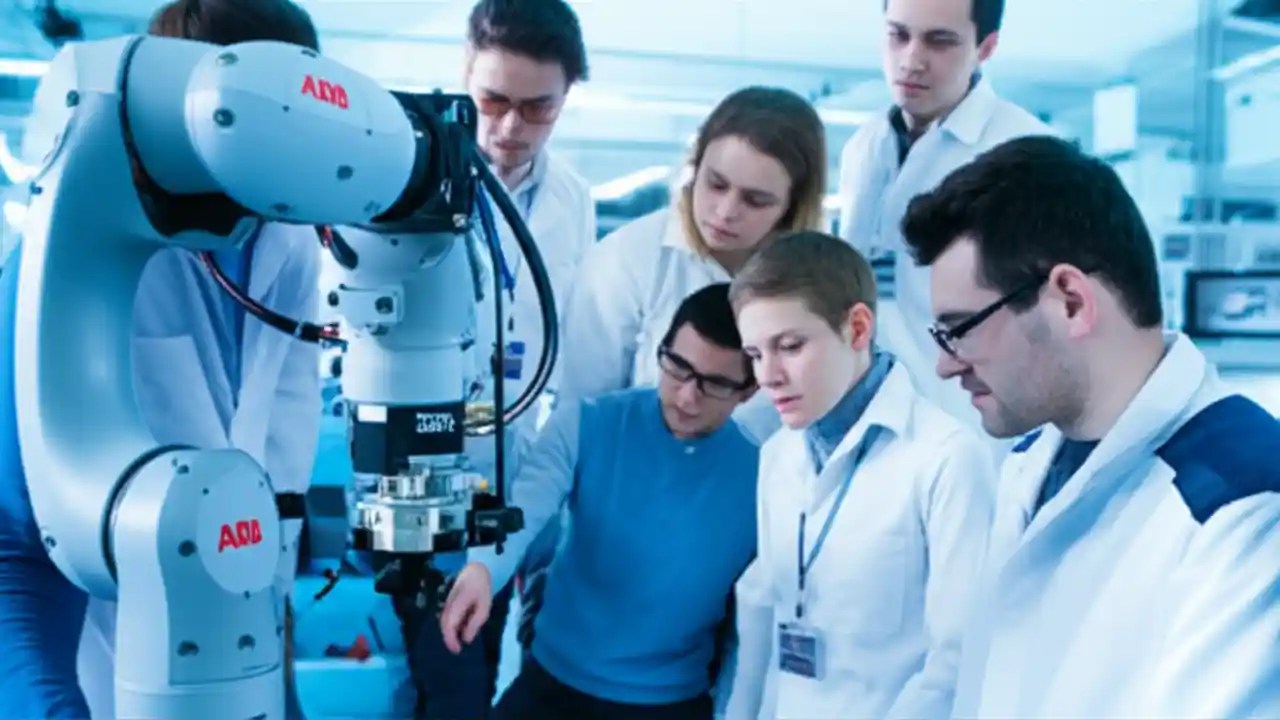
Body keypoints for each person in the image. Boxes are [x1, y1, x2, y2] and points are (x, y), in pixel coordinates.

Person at [0, 1, 323, 717]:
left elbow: (272, 466)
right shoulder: (55, 267)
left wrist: (278, 664)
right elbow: (10, 555)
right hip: (105, 662)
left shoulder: (289, 246)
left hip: (247, 633)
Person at [900, 135, 1280, 719]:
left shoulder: (1245, 503)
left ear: (1071, 301)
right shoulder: (1033, 456)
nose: (946, 363)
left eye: (961, 329)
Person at [392, 0, 597, 715]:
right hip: (418, 477)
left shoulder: (575, 200)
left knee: (488, 661)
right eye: (492, 101)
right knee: (449, 680)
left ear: (569, 94)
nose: (510, 128)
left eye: (539, 108)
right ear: (463, 74)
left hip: (511, 476)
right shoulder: (406, 174)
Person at [438, 283, 759, 720]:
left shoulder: (762, 477)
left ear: (749, 390)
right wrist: (481, 569)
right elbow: (525, 506)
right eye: (678, 367)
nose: (687, 396)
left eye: (715, 384)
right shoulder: (588, 424)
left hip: (671, 702)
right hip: (552, 685)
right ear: (660, 349)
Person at [720, 230, 996, 720]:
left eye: (790, 346)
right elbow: (770, 628)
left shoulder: (946, 458)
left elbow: (956, 660)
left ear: (858, 328)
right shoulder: (779, 454)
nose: (768, 376)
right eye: (757, 354)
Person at [558, 85, 827, 447]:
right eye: (716, 184)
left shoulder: (824, 282)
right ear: (694, 168)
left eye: (756, 200)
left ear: (792, 208)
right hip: (638, 489)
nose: (726, 211)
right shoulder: (628, 259)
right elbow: (580, 418)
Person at [836, 0, 1052, 437]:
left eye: (940, 41)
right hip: (866, 409)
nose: (911, 60)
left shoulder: (1024, 153)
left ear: (985, 48)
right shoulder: (862, 147)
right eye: (898, 35)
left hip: (968, 425)